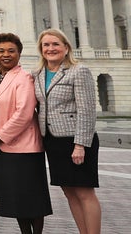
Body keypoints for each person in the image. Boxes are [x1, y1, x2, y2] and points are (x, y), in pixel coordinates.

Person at [0, 33, 51, 234]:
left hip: (24, 148)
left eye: (11, 51)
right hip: (2, 148)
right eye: (1, 51)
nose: (6, 55)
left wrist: (1, 135)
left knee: (32, 198)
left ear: (19, 53)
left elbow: (24, 112)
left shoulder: (24, 78)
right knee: (16, 200)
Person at [34, 28, 100, 234]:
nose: (50, 48)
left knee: (84, 193)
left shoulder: (78, 71)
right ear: (41, 49)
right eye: (46, 45)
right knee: (69, 192)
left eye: (55, 44)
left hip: (75, 140)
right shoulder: (37, 74)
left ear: (66, 47)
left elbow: (87, 110)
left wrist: (80, 145)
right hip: (53, 141)